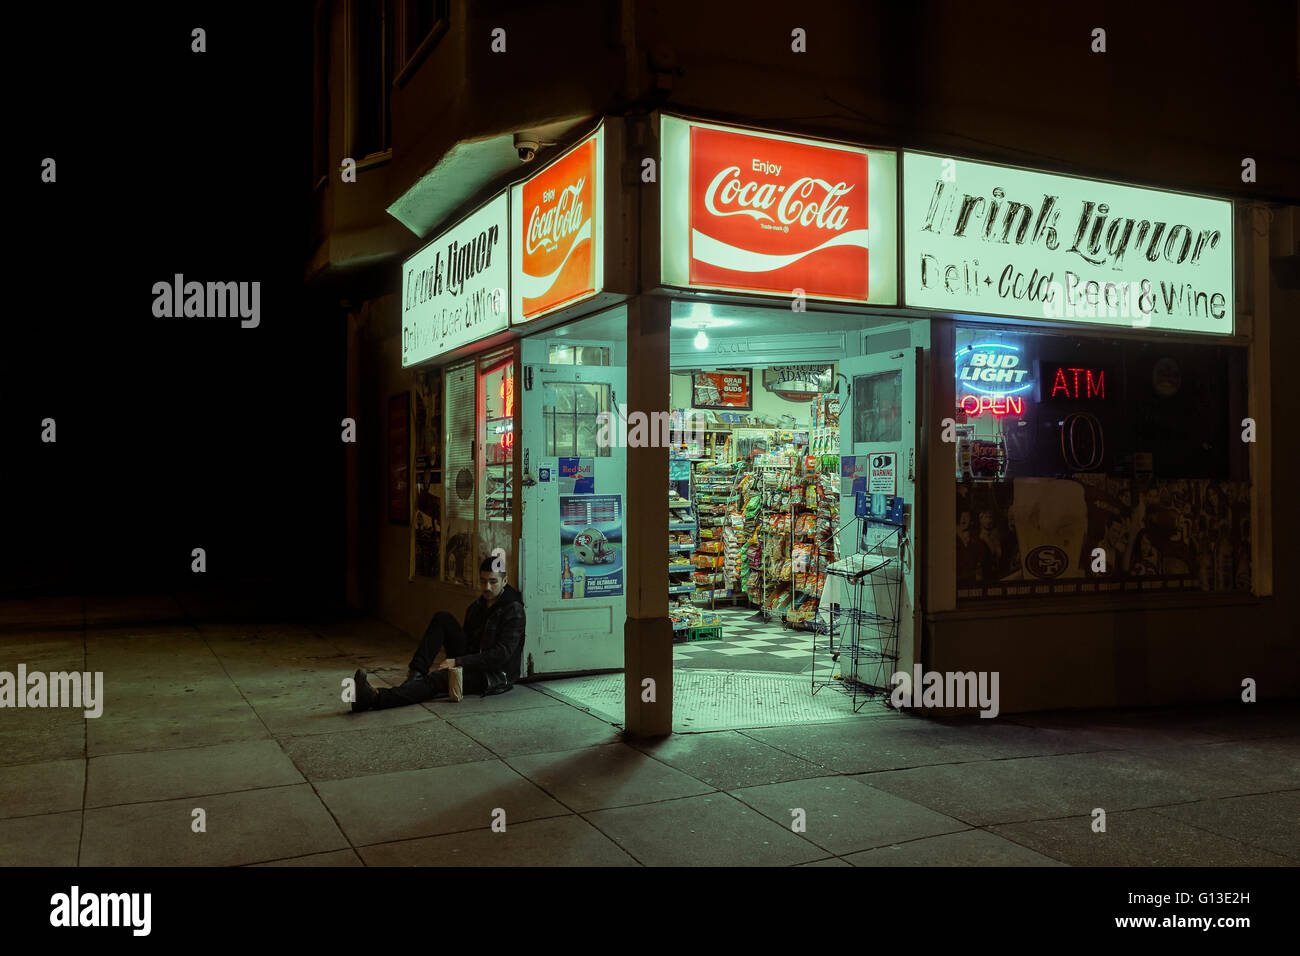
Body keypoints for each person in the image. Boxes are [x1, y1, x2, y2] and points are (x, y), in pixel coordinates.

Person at [351, 556, 525, 711]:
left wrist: (458, 661)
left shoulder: (513, 610)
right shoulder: (477, 607)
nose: (487, 587)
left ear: (505, 581)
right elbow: (466, 640)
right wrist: (460, 661)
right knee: (442, 618)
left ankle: (375, 698)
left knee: (437, 680)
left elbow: (501, 655)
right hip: (473, 661)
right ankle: (415, 676)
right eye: (483, 581)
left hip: (493, 675)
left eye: (493, 581)